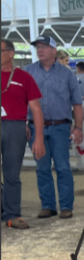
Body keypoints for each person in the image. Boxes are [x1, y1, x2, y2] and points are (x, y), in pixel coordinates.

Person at [24, 35, 83, 219]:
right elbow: (22, 101)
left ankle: (66, 206)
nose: (40, 50)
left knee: (63, 167)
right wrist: (24, 122)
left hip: (60, 127)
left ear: (53, 50)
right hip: (35, 128)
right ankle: (48, 205)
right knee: (42, 167)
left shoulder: (67, 74)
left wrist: (78, 127)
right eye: (37, 47)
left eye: (44, 47)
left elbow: (77, 103)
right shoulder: (28, 72)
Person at [1, 38, 46, 229]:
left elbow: (36, 109)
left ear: (11, 53)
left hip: (15, 127)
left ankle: (12, 215)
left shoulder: (24, 77)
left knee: (12, 172)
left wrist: (39, 138)